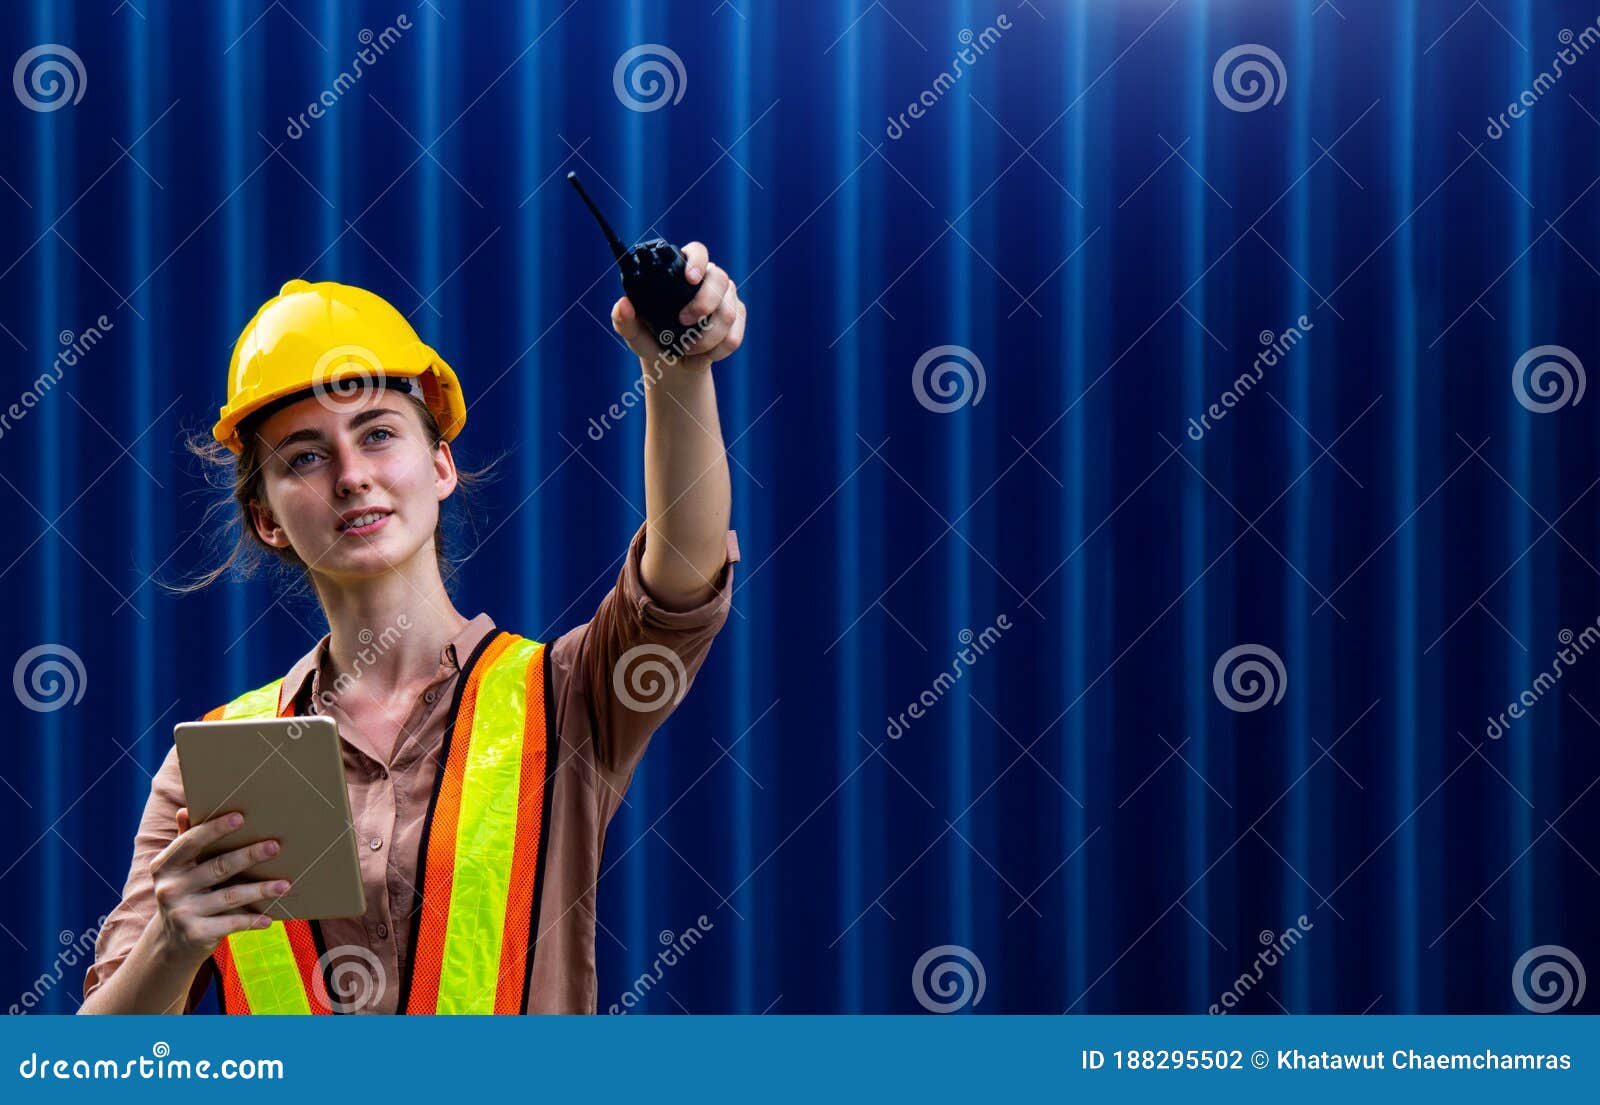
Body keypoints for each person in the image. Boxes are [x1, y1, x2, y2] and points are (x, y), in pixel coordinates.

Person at [79, 247, 746, 1014]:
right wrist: (172, 941)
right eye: (305, 456)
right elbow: (94, 1062)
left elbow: (682, 570)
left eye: (377, 434)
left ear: (440, 466)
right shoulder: (215, 766)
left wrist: (677, 370)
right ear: (267, 519)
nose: (351, 475)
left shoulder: (566, 696)